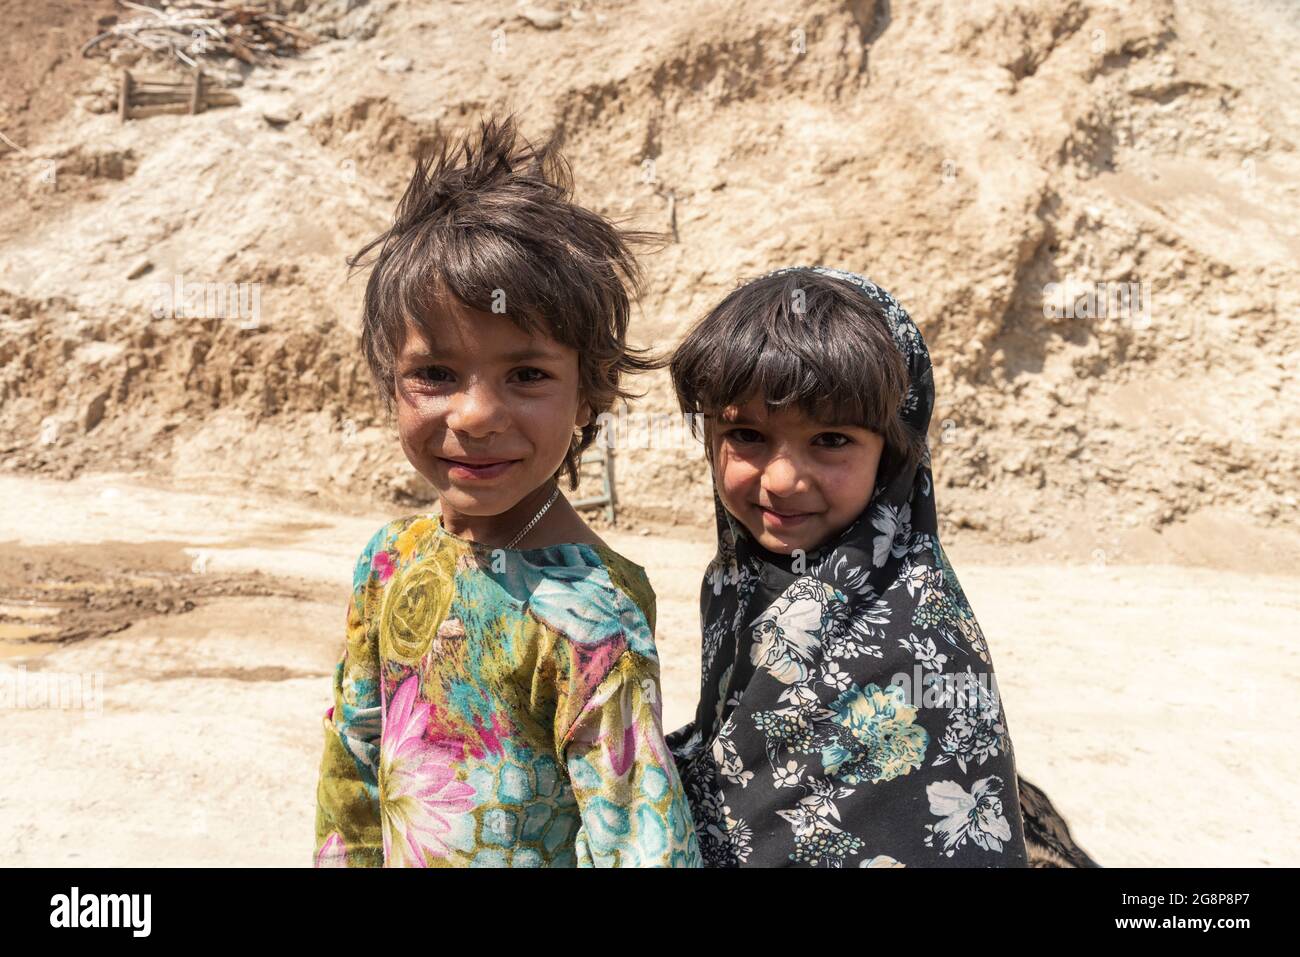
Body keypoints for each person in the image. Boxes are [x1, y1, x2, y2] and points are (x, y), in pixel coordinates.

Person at [312, 116, 699, 867]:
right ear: (389, 382)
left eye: (526, 375)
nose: (478, 415)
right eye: (436, 374)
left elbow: (638, 843)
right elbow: (349, 775)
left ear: (588, 394)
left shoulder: (591, 616)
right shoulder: (388, 563)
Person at [666, 265, 1096, 867]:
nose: (784, 479)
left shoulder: (912, 641)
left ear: (894, 453)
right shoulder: (739, 581)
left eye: (832, 440)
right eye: (747, 434)